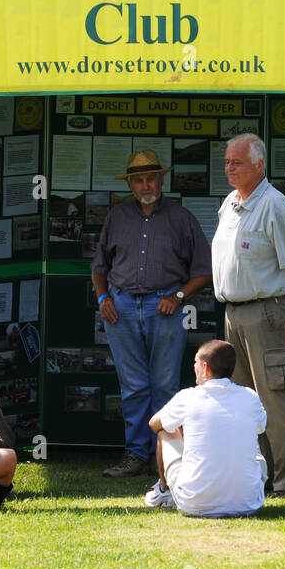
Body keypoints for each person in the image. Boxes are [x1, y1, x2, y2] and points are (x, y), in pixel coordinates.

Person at [93, 148, 212, 477]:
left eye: (151, 178)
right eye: (139, 180)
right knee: (132, 387)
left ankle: (167, 458)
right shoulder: (117, 217)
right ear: (130, 185)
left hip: (166, 308)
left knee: (165, 386)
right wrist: (103, 297)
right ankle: (135, 455)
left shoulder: (182, 218)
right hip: (122, 308)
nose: (146, 185)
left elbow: (204, 271)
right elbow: (99, 268)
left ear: (162, 179)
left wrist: (177, 295)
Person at [211, 133, 285, 496]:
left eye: (236, 162)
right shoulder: (229, 204)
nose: (229, 168)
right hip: (233, 313)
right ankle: (261, 478)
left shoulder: (276, 206)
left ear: (259, 165)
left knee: (277, 399)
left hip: (267, 311)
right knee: (243, 401)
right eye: (226, 162)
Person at [144, 339, 268, 517]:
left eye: (195, 363)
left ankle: (164, 491)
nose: (193, 367)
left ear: (205, 368)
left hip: (193, 503)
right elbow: (260, 428)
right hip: (248, 503)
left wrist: (182, 429)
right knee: (253, 443)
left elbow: (154, 424)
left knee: (165, 431)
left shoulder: (187, 397)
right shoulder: (250, 396)